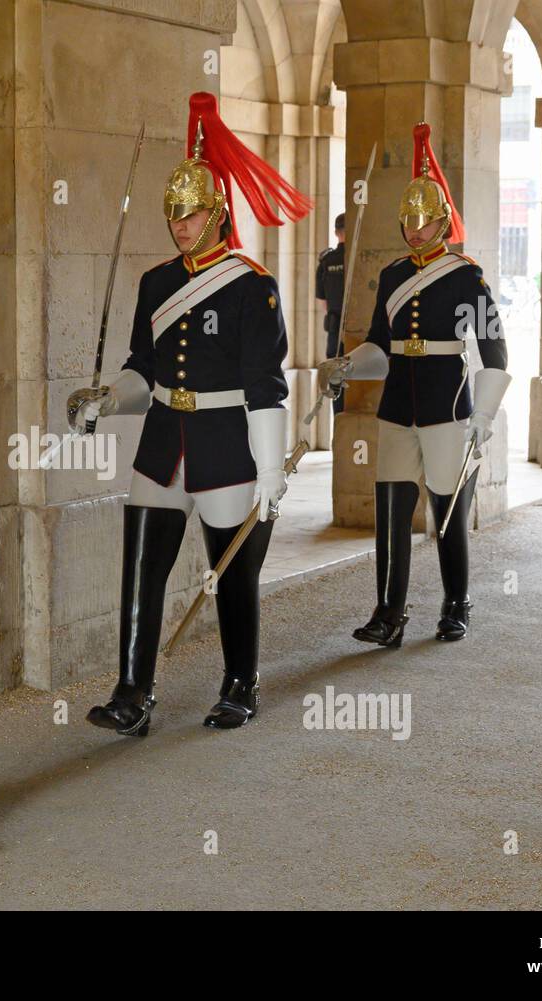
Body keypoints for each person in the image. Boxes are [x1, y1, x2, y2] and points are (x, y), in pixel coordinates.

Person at [69, 93, 310, 735]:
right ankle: (132, 690)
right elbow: (141, 370)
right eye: (174, 213)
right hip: (162, 440)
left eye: (192, 212)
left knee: (230, 574)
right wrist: (107, 400)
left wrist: (269, 470)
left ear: (217, 211)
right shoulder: (155, 283)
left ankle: (240, 681)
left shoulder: (251, 285)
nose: (181, 224)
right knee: (142, 564)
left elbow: (265, 385)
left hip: (227, 442)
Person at [317, 123, 510, 647]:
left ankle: (456, 603)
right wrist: (349, 366)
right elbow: (381, 347)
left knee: (446, 514)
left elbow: (494, 351)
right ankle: (389, 612)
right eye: (409, 221)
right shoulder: (394, 275)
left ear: (443, 221)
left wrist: (485, 414)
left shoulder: (467, 276)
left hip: (448, 406)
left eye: (425, 222)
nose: (416, 231)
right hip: (397, 405)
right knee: (391, 511)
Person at [314, 213, 347, 413]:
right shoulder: (360, 257)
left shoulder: (326, 261)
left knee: (337, 387)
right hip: (361, 335)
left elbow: (322, 303)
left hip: (335, 335)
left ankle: (340, 434)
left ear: (336, 232)